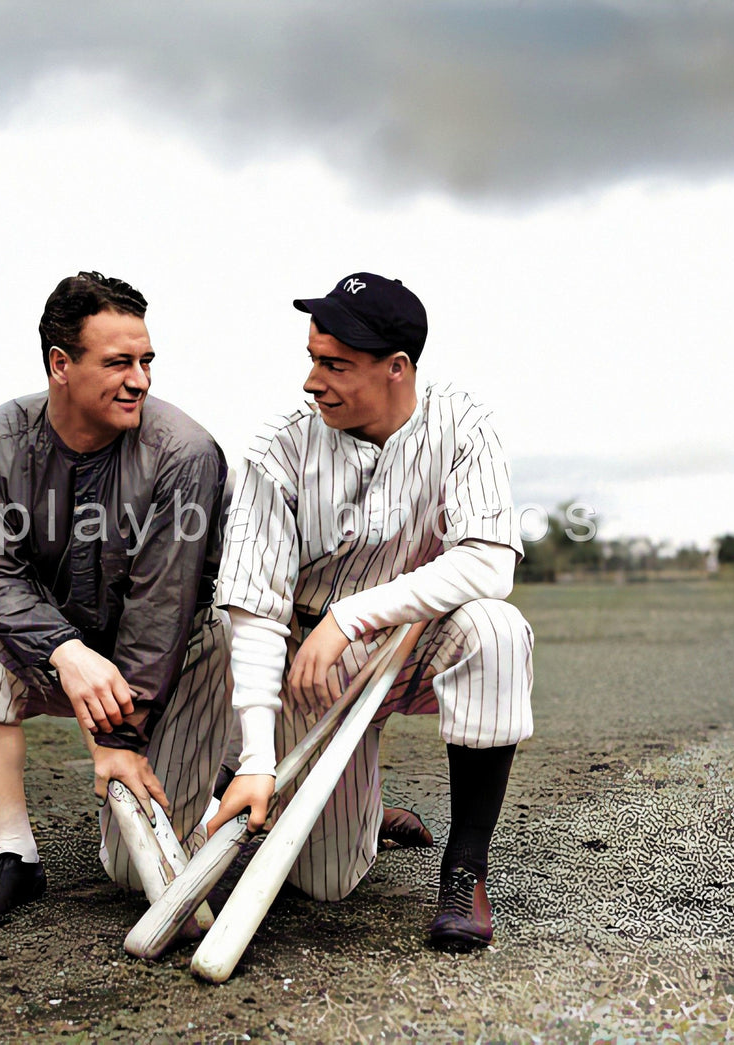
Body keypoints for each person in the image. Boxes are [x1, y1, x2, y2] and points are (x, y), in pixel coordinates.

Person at [208, 272, 534, 949]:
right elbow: (256, 611)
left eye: (335, 365)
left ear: (397, 368)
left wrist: (350, 615)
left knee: (498, 631)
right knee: (326, 882)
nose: (312, 381)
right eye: (312, 358)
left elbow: (489, 564)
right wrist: (260, 757)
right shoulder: (280, 449)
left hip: (413, 643)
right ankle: (356, 809)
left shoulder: (462, 425)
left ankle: (465, 870)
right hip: (312, 662)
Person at [0, 271, 231, 928]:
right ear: (60, 364)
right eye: (119, 362)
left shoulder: (185, 452)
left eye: (146, 360)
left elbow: (164, 607)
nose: (140, 380)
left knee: (129, 871)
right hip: (61, 656)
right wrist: (64, 650)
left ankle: (222, 795)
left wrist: (118, 737)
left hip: (171, 664)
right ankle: (15, 855)